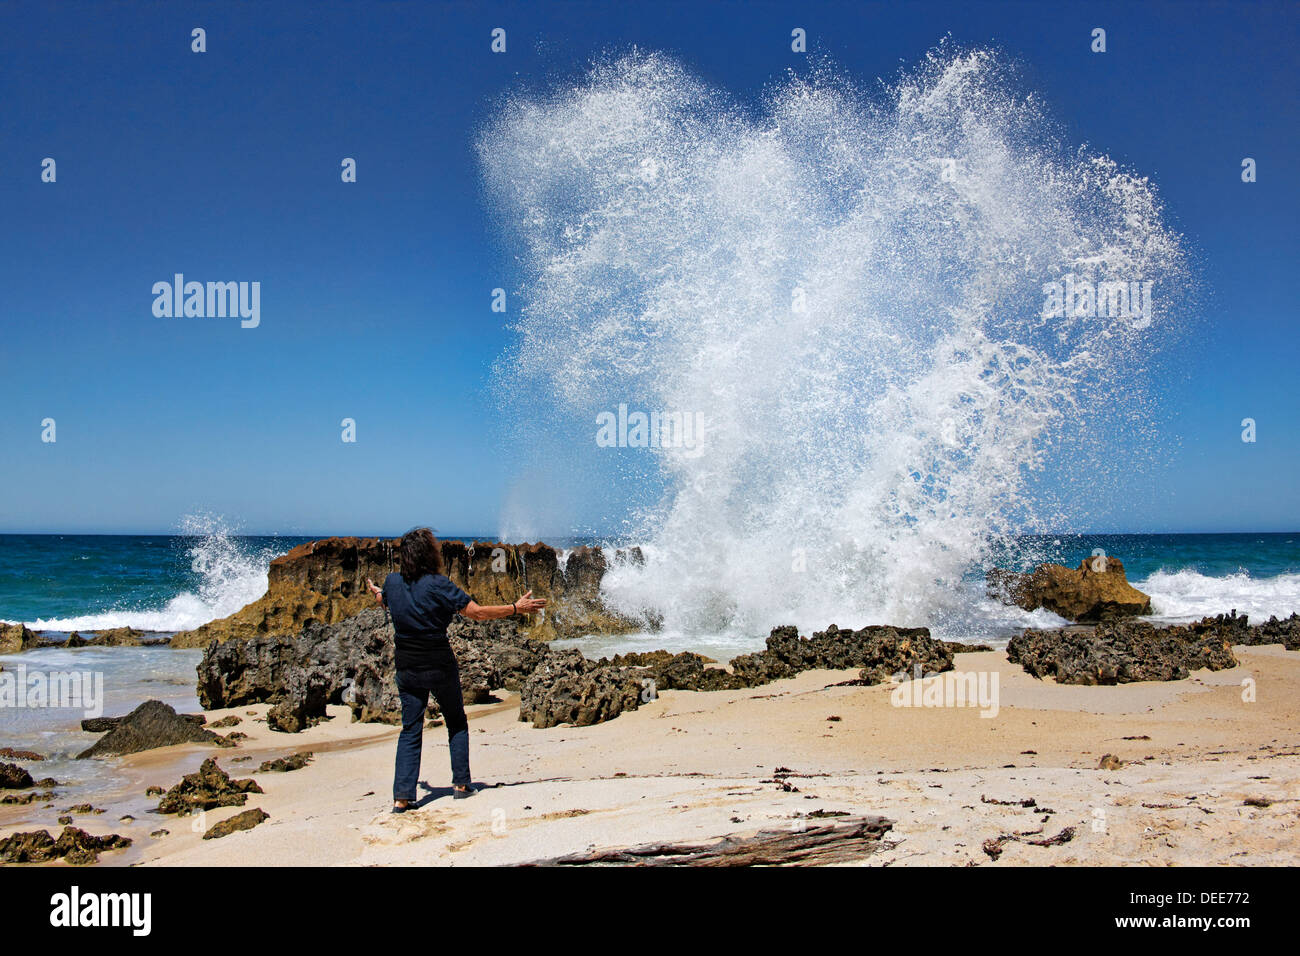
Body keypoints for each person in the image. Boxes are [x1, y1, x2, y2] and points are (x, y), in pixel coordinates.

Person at [366, 527, 546, 813]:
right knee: (456, 721)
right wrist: (515, 607)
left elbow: (382, 599)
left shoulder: (392, 582)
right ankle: (461, 785)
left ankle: (402, 797)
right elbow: (477, 612)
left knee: (410, 729)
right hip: (439, 664)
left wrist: (376, 591)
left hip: (407, 668)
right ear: (428, 554)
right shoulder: (438, 584)